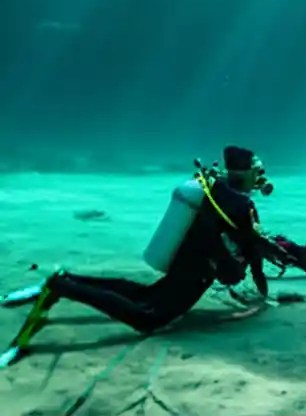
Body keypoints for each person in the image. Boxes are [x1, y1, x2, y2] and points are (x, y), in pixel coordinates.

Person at [4, 146, 280, 353]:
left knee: (145, 294)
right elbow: (247, 248)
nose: (261, 176)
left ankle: (67, 280)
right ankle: (61, 285)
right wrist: (247, 280)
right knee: (149, 318)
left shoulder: (218, 189)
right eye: (257, 171)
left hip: (186, 261)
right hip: (196, 271)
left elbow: (229, 238)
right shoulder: (241, 206)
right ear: (245, 175)